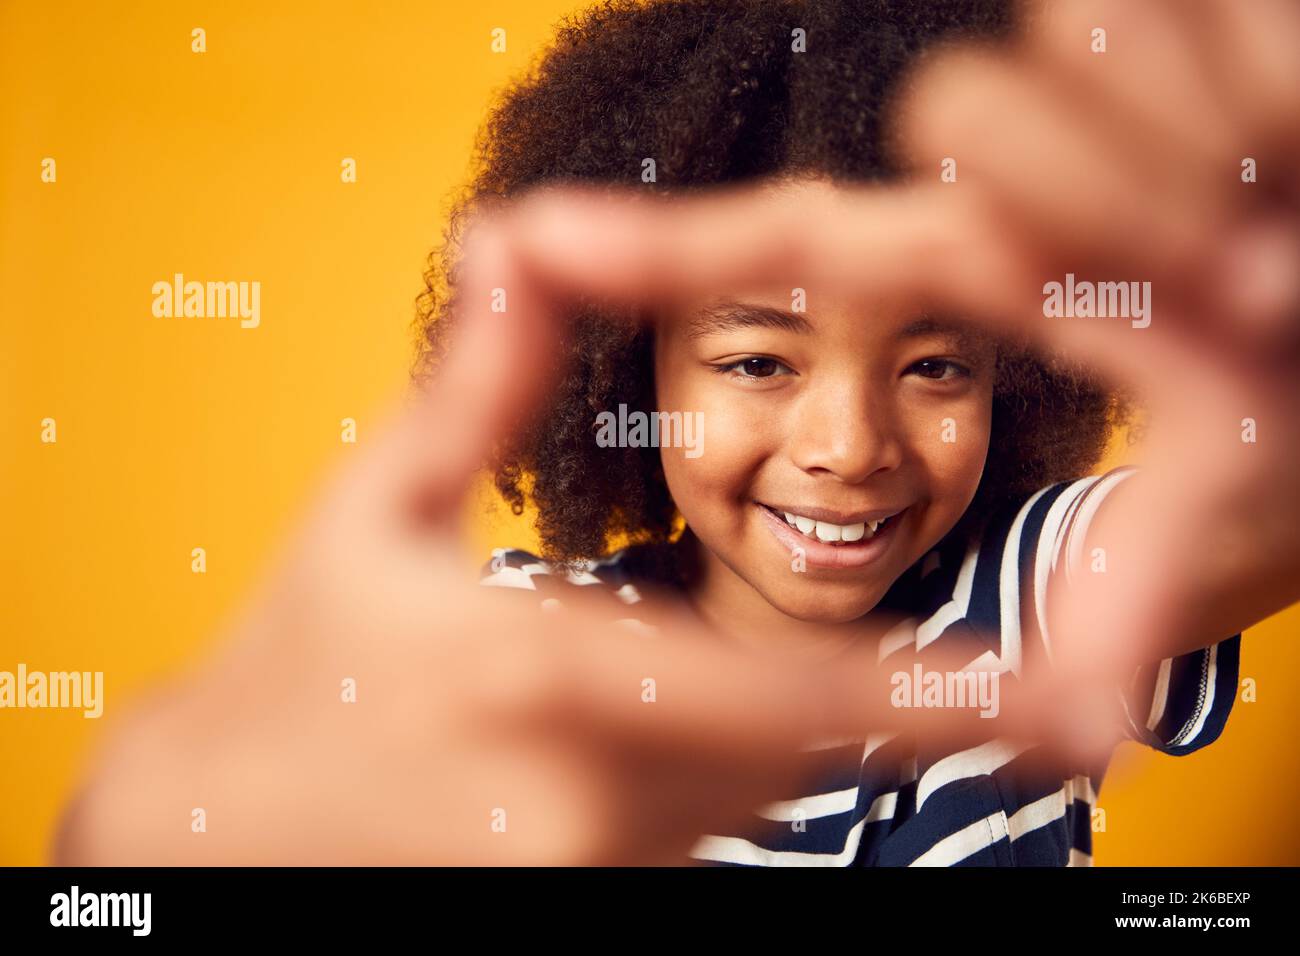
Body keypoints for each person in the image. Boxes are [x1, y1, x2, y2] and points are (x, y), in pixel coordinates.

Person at [54, 0, 1300, 866]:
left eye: (935, 364)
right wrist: (149, 826)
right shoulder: (537, 641)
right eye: (759, 360)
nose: (850, 442)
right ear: (622, 354)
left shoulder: (1024, 594)